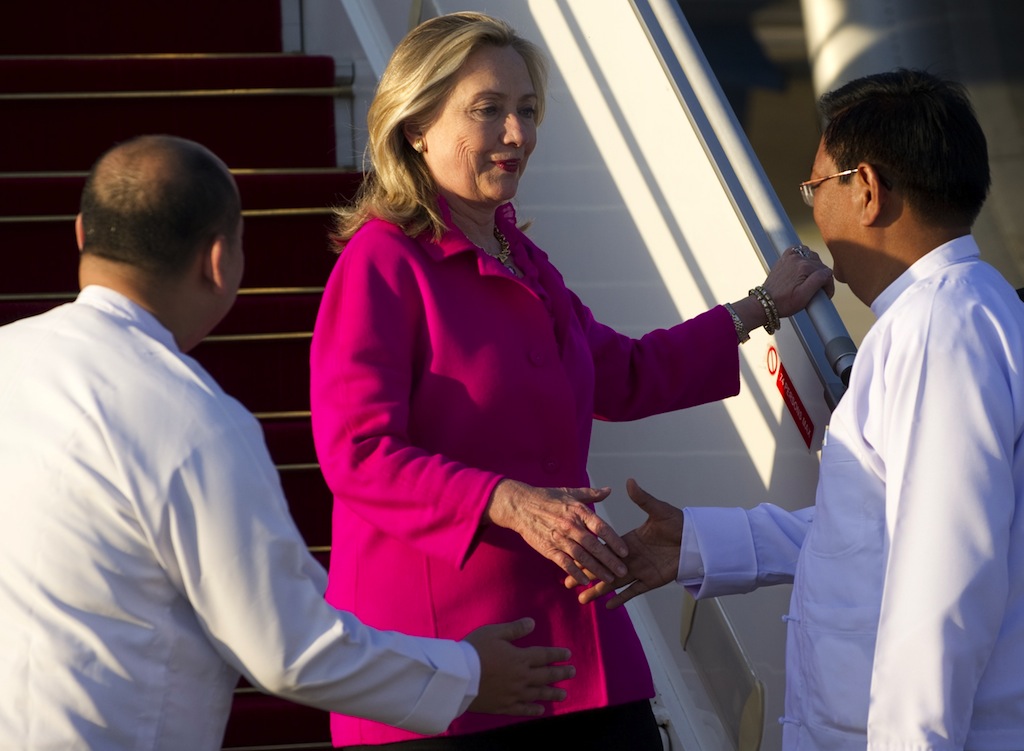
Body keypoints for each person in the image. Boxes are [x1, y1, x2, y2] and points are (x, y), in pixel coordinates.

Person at [308, 11, 833, 750]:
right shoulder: (381, 262)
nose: (518, 134)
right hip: (447, 666)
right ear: (416, 125)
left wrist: (761, 306)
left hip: (576, 647)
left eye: (526, 111)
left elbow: (620, 373)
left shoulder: (519, 253)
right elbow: (356, 453)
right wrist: (506, 501)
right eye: (489, 111)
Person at [0, 134, 578, 751]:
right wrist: (466, 674)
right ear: (218, 260)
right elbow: (286, 647)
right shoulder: (191, 419)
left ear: (82, 233)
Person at [578, 69, 1024, 750]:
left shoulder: (940, 328)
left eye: (816, 187)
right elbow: (874, 526)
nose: (813, 210)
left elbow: (941, 585)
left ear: (867, 189)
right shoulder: (957, 312)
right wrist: (700, 541)